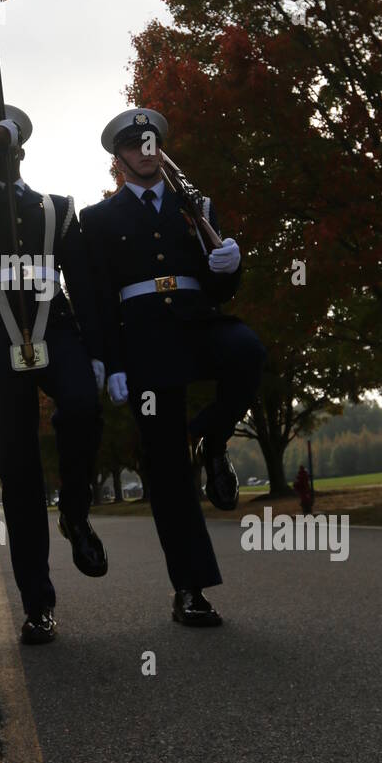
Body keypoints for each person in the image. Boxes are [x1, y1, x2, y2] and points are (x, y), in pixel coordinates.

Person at [80, 107, 265, 627]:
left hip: (197, 322)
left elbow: (221, 287)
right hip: (143, 340)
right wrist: (109, 360)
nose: (145, 153)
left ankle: (210, 436)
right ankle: (190, 589)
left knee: (248, 352)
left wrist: (230, 265)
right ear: (119, 158)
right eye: (135, 147)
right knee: (166, 468)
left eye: (151, 144)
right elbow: (95, 298)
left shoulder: (194, 206)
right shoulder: (99, 220)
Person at [0, 105, 106, 646]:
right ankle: (39, 604)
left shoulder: (59, 208)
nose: (2, 156)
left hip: (56, 328)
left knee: (83, 407)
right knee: (18, 475)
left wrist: (100, 350)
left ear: (23, 149)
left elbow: (81, 283)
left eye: (9, 146)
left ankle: (77, 513)